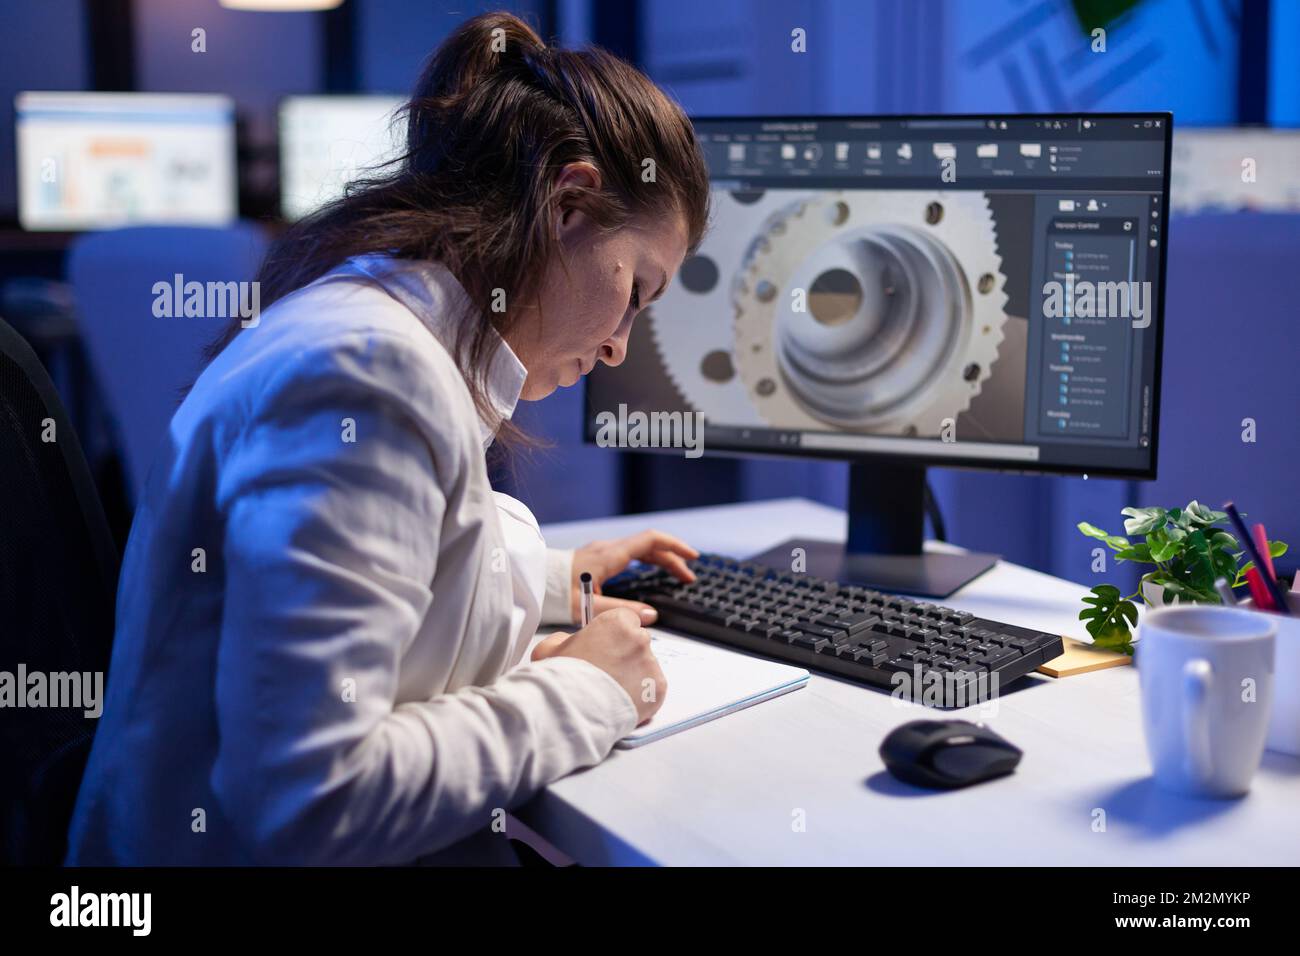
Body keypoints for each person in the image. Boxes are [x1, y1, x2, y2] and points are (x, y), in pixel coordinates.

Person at [65, 11, 711, 866]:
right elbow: (311, 799)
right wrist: (589, 690)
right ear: (567, 203)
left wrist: (559, 578)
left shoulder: (385, 321)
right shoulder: (370, 373)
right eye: (635, 291)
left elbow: (410, 559)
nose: (621, 345)